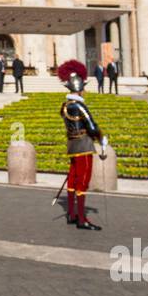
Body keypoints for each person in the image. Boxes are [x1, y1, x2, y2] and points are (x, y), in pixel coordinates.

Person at [57, 60, 105, 231]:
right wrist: (101, 138)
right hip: (83, 145)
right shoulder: (79, 105)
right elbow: (92, 126)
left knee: (73, 178)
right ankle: (82, 219)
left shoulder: (65, 106)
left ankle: (71, 213)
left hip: (71, 144)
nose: (84, 90)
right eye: (83, 87)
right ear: (79, 87)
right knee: (83, 180)